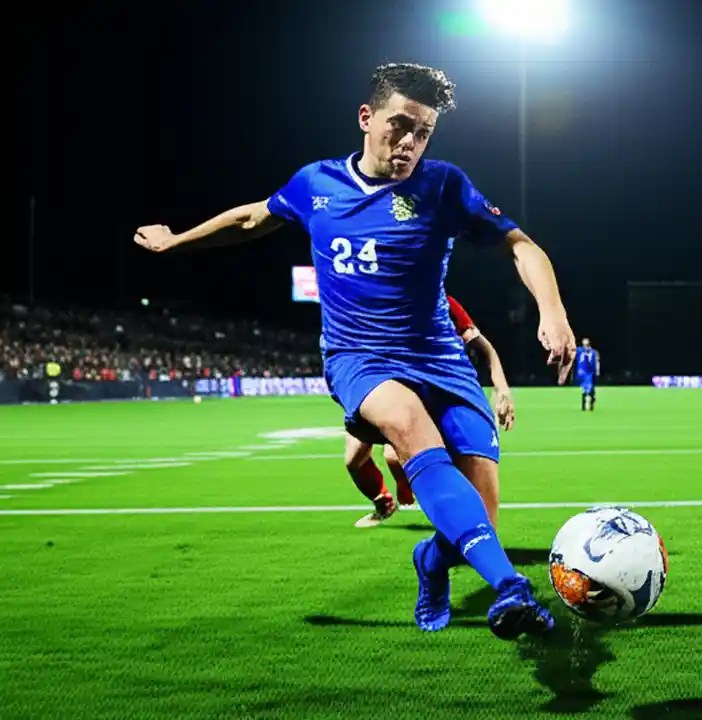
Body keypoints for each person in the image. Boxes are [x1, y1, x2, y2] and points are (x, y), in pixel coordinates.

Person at [135, 63, 579, 641]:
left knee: (480, 522)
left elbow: (520, 246)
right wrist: (178, 241)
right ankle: (511, 592)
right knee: (408, 424)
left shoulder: (444, 186)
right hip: (359, 357)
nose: (410, 143)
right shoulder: (315, 184)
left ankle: (432, 561)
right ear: (367, 119)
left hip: (439, 357)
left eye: (423, 132)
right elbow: (251, 218)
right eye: (400, 126)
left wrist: (553, 309)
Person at [350, 295, 515, 528]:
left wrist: (502, 389)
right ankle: (383, 502)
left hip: (424, 386)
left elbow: (483, 347)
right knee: (354, 460)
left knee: (393, 456)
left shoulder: (439, 300)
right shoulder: (371, 300)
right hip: (377, 383)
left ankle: (452, 525)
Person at [575, 338, 600, 411]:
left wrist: (597, 371)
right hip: (582, 373)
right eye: (583, 345)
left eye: (586, 345)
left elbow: (597, 362)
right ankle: (583, 406)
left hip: (590, 373)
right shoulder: (580, 351)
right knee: (584, 389)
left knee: (590, 388)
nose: (585, 346)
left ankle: (592, 402)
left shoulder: (593, 352)